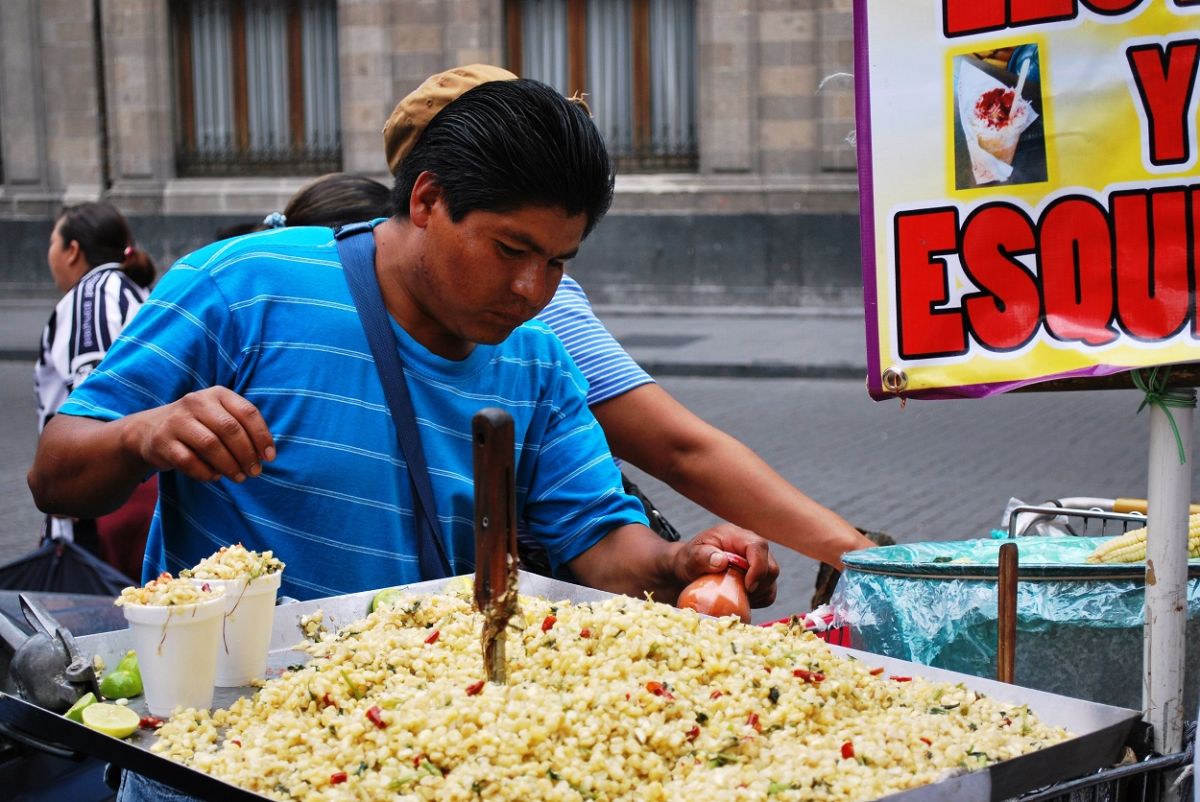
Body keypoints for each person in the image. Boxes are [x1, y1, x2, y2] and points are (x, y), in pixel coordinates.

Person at [379, 65, 875, 571]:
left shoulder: (536, 342)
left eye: (556, 261)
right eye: (508, 250)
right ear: (427, 199)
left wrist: (860, 558)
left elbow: (621, 501)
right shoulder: (305, 285)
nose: (530, 290)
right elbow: (680, 450)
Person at [34, 201, 158, 580]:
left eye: (53, 241)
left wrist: (74, 480)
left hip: (95, 519)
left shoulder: (95, 296)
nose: (50, 253)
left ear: (72, 251)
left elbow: (99, 404)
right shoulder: (129, 291)